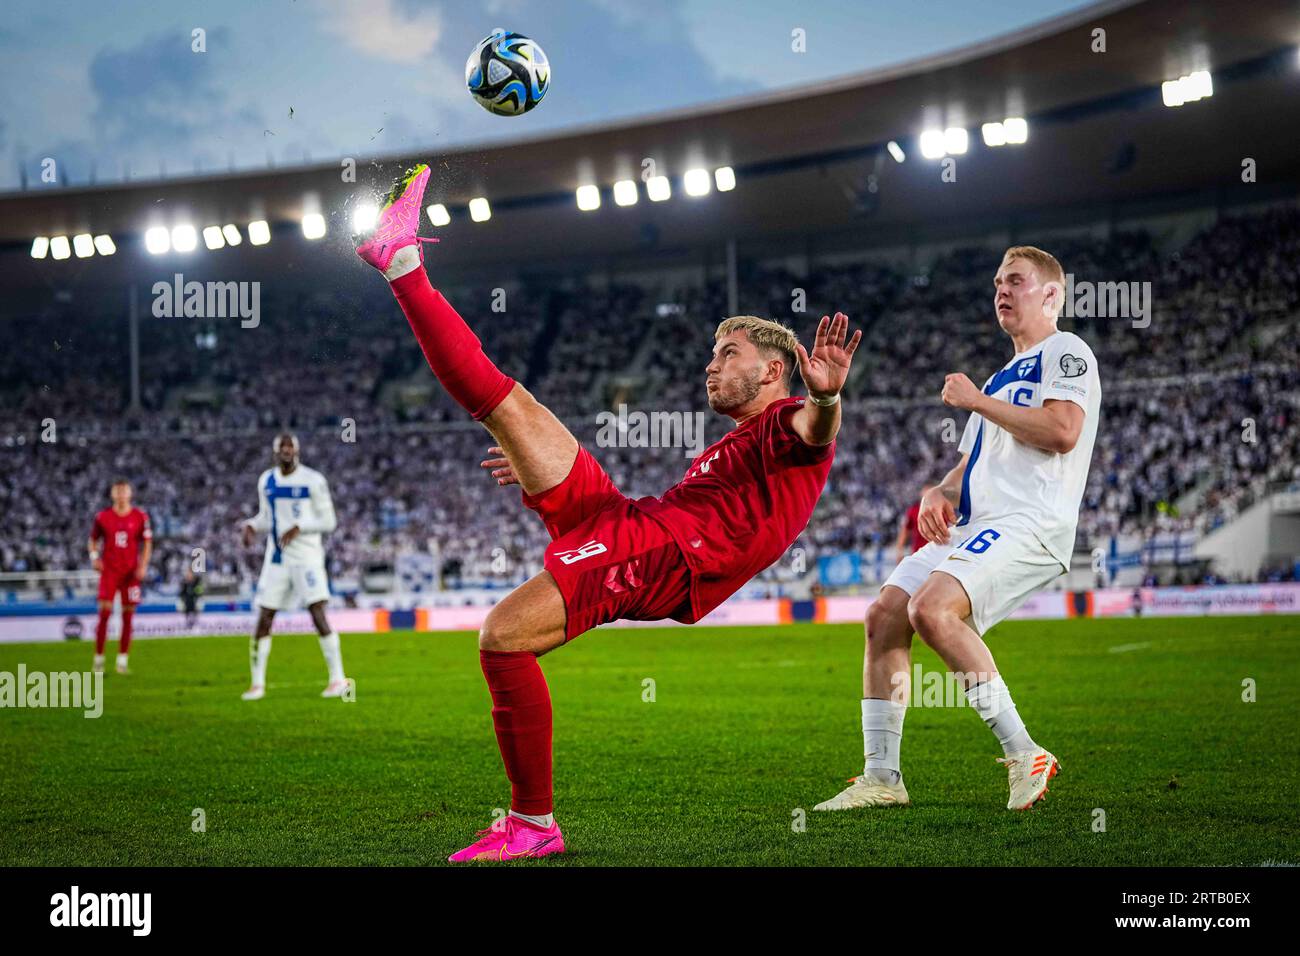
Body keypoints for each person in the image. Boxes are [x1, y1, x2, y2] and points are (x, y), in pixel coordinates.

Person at [355, 164, 861, 861]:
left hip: (662, 554)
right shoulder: (739, 441)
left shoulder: (787, 424)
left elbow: (818, 432)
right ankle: (401, 261)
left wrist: (829, 397)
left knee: (502, 636)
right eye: (711, 355)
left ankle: (534, 826)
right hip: (632, 522)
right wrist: (538, 472)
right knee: (511, 408)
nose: (710, 367)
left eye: (728, 354)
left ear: (774, 370)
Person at [815, 245, 1100, 813]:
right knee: (885, 615)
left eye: (1015, 280)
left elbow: (1063, 431)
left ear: (1050, 294)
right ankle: (882, 778)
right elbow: (968, 468)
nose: (1001, 289)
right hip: (976, 525)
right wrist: (937, 492)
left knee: (933, 609)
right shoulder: (998, 378)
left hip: (1031, 521)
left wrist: (976, 400)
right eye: (997, 281)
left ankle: (1025, 753)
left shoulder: (1068, 352)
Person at [239, 433, 348, 701]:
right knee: (265, 616)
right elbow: (267, 517)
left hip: (307, 558)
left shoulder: (313, 480)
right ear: (275, 452)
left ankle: (338, 679)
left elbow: (329, 521)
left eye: (290, 447)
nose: (286, 451)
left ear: (297, 451)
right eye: (281, 447)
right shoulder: (267, 480)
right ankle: (257, 684)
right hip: (276, 559)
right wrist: (252, 525)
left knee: (317, 613)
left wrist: (301, 527)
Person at [88, 479, 151, 674]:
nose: (121, 494)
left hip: (131, 573)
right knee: (104, 614)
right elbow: (92, 540)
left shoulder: (140, 517)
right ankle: (98, 659)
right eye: (118, 491)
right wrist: (94, 557)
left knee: (128, 617)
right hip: (109, 571)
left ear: (130, 494)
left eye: (124, 491)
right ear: (112, 494)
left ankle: (122, 662)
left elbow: (147, 543)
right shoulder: (103, 517)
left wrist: (143, 565)